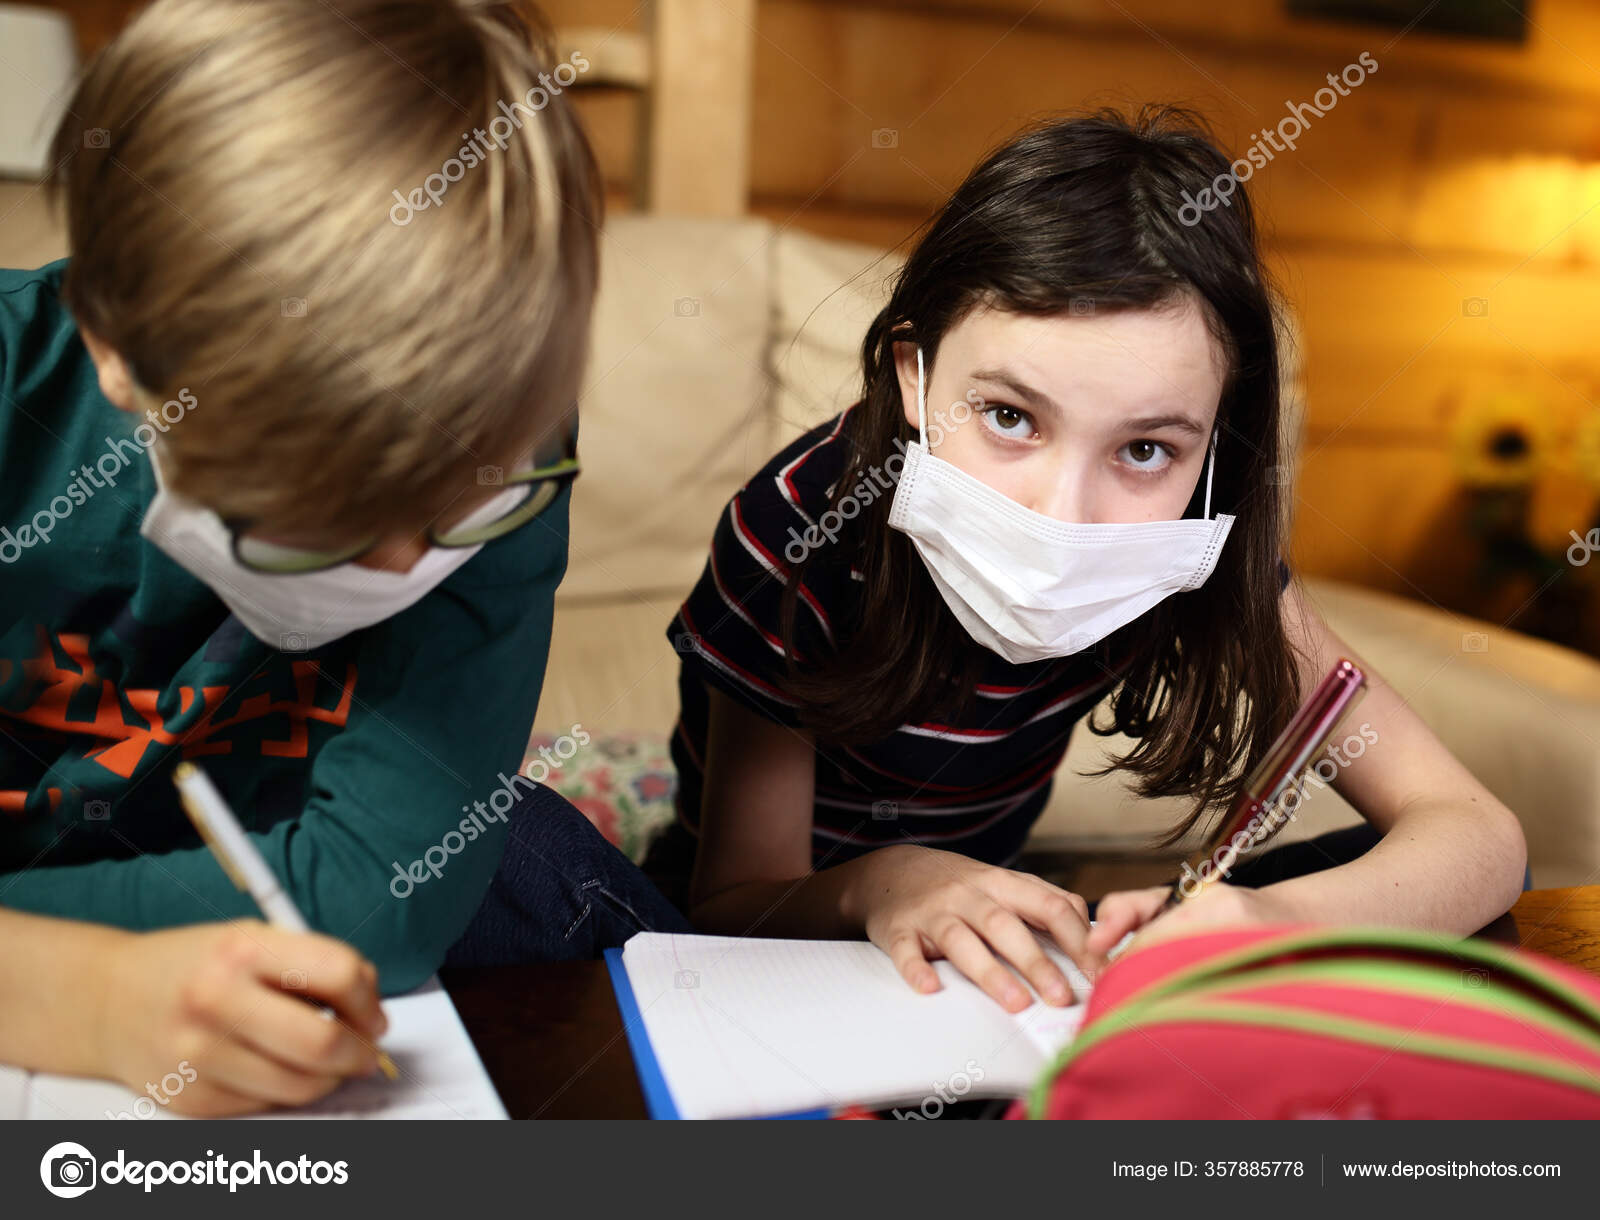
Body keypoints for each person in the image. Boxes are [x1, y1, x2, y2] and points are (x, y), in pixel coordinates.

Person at [655, 107, 1527, 1014]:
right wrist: (885, 882)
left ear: (1212, 449)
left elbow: (1478, 836)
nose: (1062, 518)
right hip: (781, 948)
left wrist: (1271, 924)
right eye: (1009, 417)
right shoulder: (798, 526)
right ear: (916, 376)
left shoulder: (1190, 548)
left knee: (1395, 893)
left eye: (1145, 449)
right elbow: (732, 909)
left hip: (982, 961)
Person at [0, 0, 682, 1117]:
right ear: (115, 350)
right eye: (323, 516)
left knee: (558, 877)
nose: (409, 565)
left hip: (346, 875)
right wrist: (69, 988)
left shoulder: (505, 445)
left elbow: (380, 905)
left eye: (461, 501)